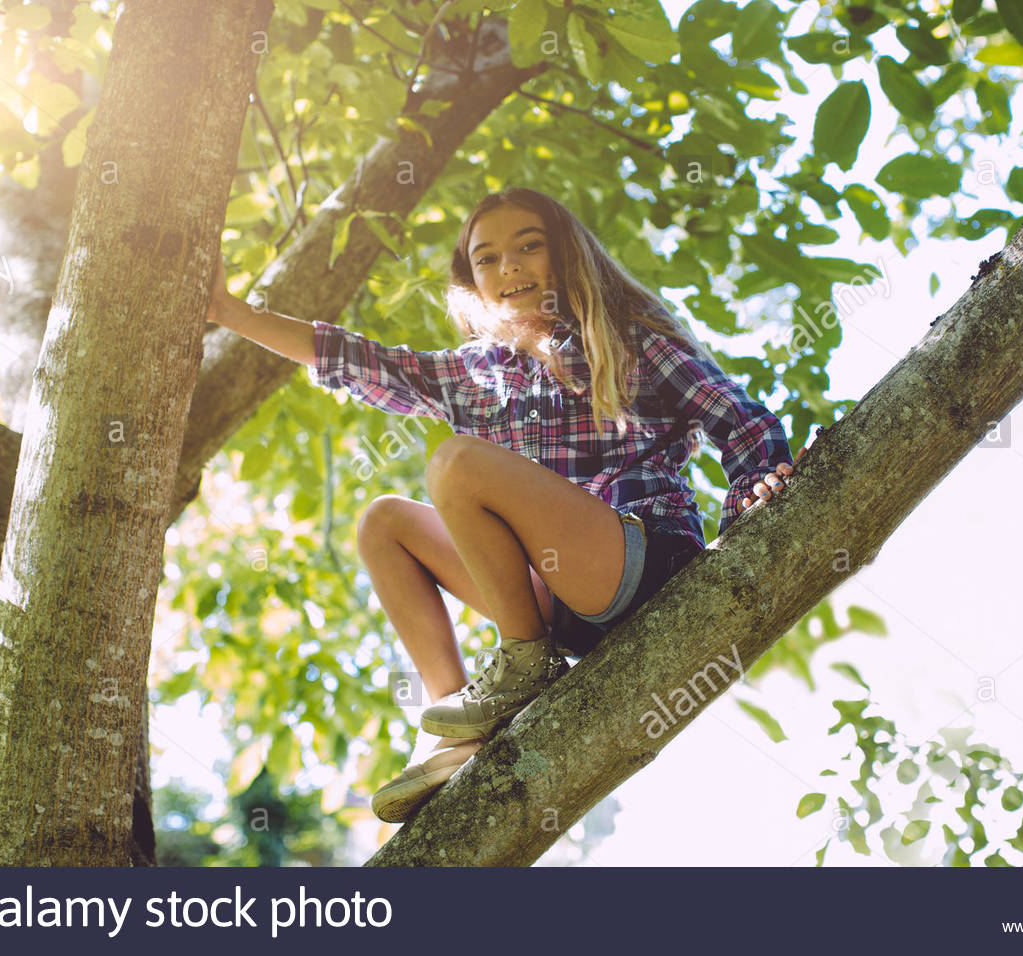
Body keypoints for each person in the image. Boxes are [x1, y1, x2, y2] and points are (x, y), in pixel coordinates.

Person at [206, 187, 798, 824]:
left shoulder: (626, 336)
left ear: (566, 255)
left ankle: (520, 662)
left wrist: (755, 486)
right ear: (472, 282)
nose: (508, 266)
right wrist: (227, 309)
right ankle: (458, 724)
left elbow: (736, 416)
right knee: (384, 521)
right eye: (486, 258)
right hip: (557, 605)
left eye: (528, 246)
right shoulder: (474, 372)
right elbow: (359, 360)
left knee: (456, 463)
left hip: (638, 560)